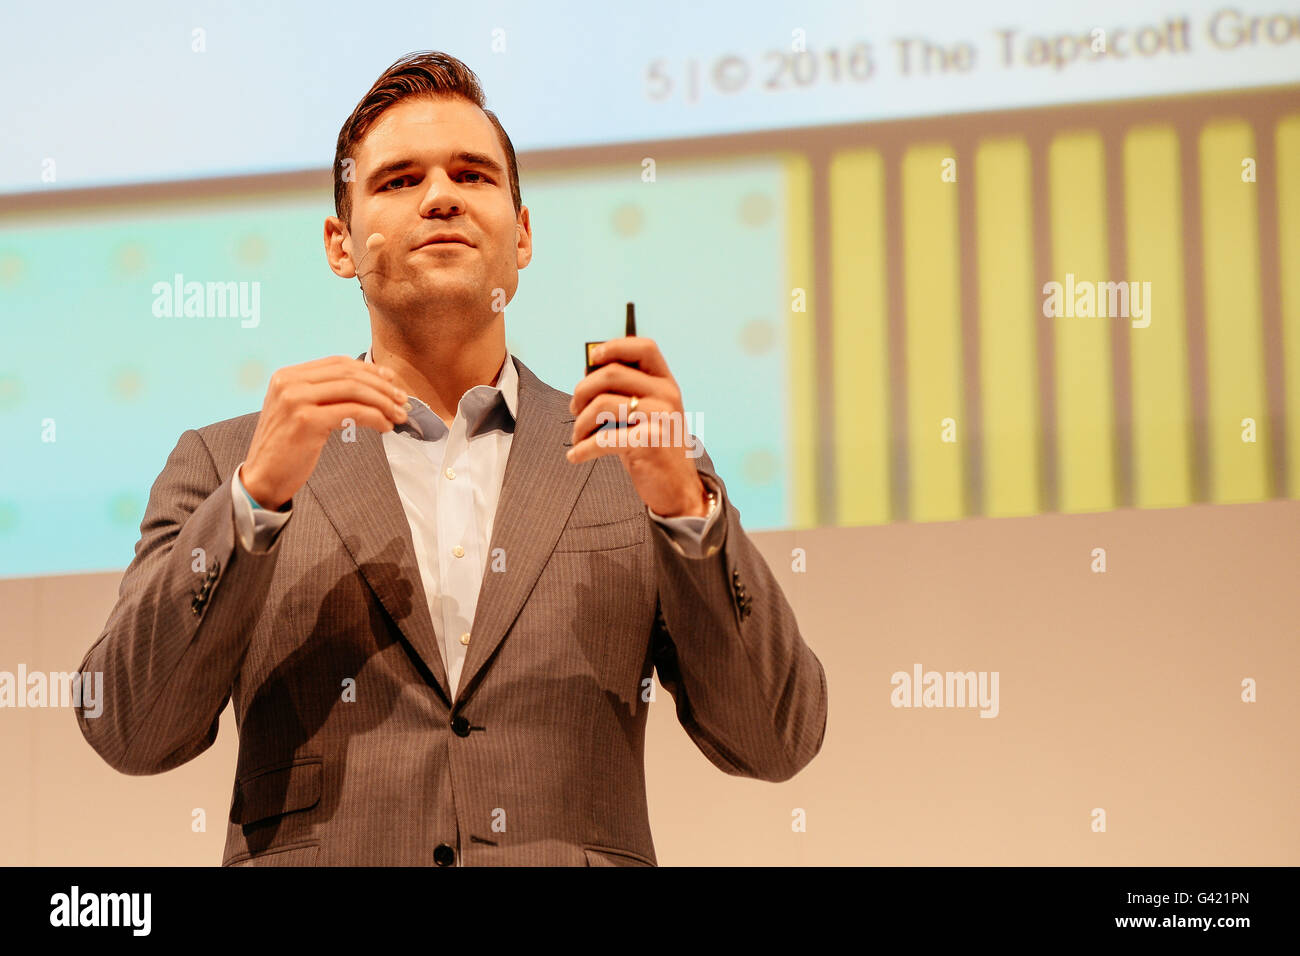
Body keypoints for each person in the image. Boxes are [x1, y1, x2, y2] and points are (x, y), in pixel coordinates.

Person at [76, 50, 827, 866]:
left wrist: (686, 511)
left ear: (523, 233)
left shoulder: (634, 452)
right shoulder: (226, 462)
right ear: (340, 244)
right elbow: (128, 728)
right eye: (398, 181)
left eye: (472, 175)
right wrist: (253, 504)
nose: (440, 197)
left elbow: (776, 739)